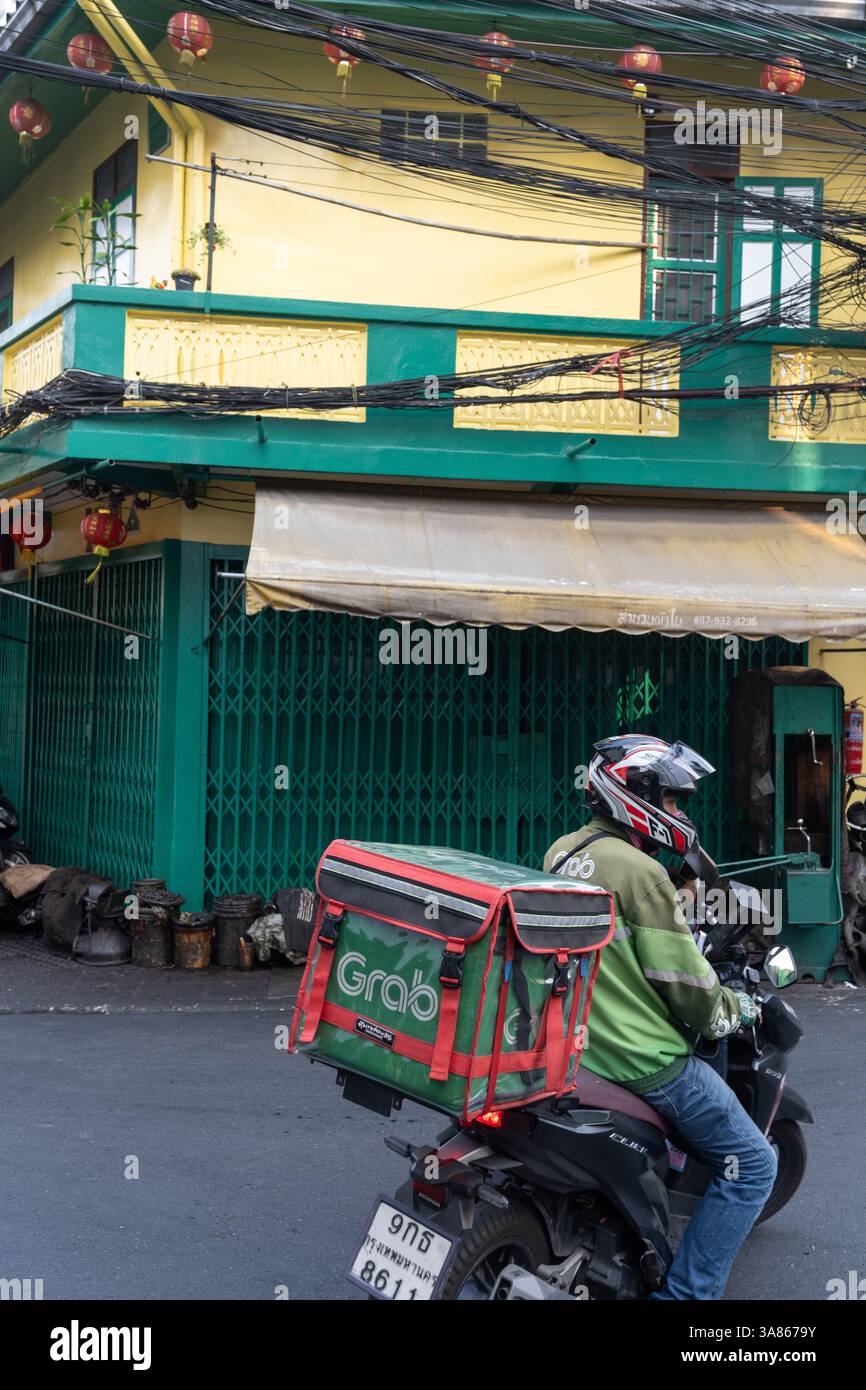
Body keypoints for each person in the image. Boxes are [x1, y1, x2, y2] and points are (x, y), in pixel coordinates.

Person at [543, 734, 777, 1301]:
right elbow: (690, 989)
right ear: (635, 795)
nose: (680, 813)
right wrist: (735, 1007)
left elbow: (615, 942)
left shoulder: (563, 852)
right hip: (638, 1059)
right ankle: (687, 1298)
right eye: (673, 801)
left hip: (572, 1044)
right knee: (754, 1165)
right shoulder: (641, 873)